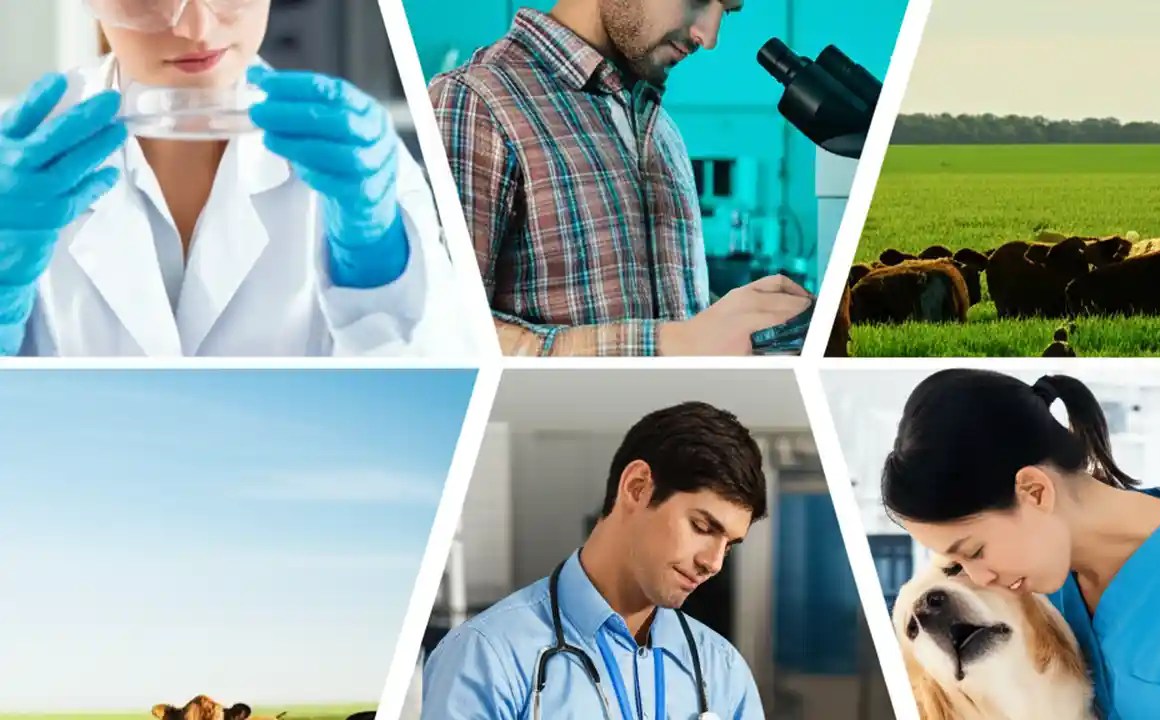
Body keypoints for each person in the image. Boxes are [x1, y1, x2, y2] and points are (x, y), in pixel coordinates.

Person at [0, 0, 478, 356]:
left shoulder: (357, 156)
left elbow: (433, 393)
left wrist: (379, 269)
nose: (196, 27)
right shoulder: (20, 164)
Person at [879, 368, 1160, 719]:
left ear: (1035, 491)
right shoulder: (1034, 594)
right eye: (957, 567)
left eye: (975, 552)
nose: (980, 578)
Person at [429, 0, 812, 356]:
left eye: (726, 12)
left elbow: (660, 317)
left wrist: (740, 321)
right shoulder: (474, 102)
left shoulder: (661, 129)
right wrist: (670, 344)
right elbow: (447, 337)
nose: (708, 38)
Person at [421, 401, 767, 718]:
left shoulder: (722, 670)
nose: (714, 563)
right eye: (702, 526)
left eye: (730, 545)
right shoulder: (487, 656)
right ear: (637, 487)